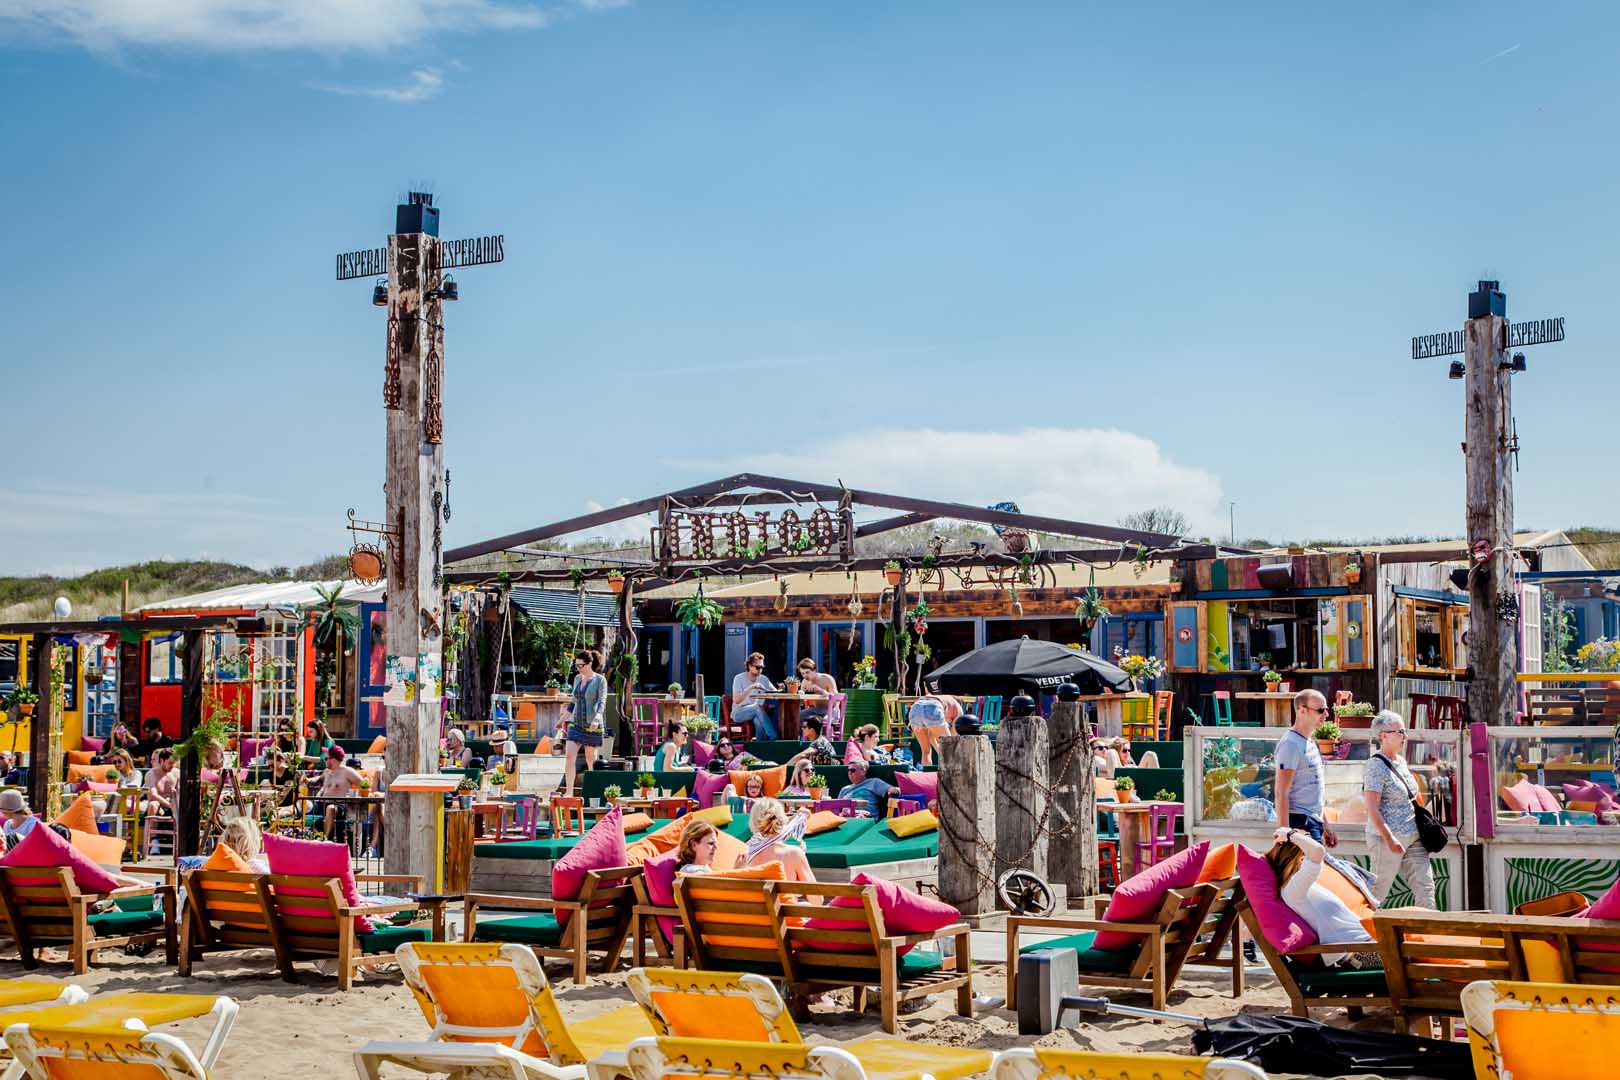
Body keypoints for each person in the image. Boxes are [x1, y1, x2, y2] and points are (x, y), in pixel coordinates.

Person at [1267, 826, 1378, 967]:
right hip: (1362, 953)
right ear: (1299, 857)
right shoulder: (1294, 888)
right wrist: (1290, 834)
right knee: (1412, 956)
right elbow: (1318, 851)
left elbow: (1316, 851)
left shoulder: (1297, 886)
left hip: (1367, 946)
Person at [1362, 710, 1436, 908]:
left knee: (1426, 888)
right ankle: (1361, 930)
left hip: (1414, 837)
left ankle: (1429, 934)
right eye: (1399, 731)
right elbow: (1371, 807)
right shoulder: (1375, 765)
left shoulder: (1401, 762)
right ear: (1383, 736)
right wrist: (1389, 838)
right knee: (1377, 892)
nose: (1405, 736)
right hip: (1387, 840)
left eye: (1404, 731)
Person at [1273, 689, 1336, 846]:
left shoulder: (1309, 741)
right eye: (1321, 710)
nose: (1326, 715)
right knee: (1313, 869)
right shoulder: (1290, 744)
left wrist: (1326, 824)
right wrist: (1285, 834)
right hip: (1299, 823)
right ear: (1302, 710)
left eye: (1327, 709)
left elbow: (1314, 787)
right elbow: (1281, 792)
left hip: (1313, 821)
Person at [742, 797, 816, 888]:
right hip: (784, 901)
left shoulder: (743, 853)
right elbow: (817, 898)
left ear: (753, 820)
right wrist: (801, 856)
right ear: (781, 819)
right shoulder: (794, 853)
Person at [562, 648, 607, 795]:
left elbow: (602, 701)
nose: (578, 669)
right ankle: (569, 792)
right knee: (569, 756)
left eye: (581, 666)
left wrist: (597, 718)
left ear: (590, 664)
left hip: (591, 724)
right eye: (577, 666)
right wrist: (562, 719)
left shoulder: (600, 680)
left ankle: (593, 792)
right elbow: (573, 701)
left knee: (590, 760)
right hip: (576, 723)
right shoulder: (577, 679)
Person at [317, 746, 365, 840]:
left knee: (330, 808)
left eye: (326, 758)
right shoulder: (327, 771)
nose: (324, 760)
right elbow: (317, 780)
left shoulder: (347, 771)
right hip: (321, 804)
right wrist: (306, 780)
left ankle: (324, 839)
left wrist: (355, 797)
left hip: (339, 805)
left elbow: (364, 785)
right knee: (305, 807)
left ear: (334, 759)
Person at [731, 652, 779, 740]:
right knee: (757, 708)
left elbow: (775, 693)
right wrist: (751, 687)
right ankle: (774, 737)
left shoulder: (763, 679)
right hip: (739, 712)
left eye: (762, 667)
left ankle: (759, 744)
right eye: (757, 667)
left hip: (757, 711)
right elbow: (737, 700)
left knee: (758, 720)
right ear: (749, 666)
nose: (760, 670)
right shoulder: (739, 678)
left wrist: (780, 688)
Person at [907, 694, 960, 767]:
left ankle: (927, 775)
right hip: (933, 707)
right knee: (949, 748)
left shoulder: (943, 700)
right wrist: (942, 751)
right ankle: (950, 776)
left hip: (915, 708)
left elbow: (931, 737)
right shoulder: (958, 708)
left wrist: (940, 751)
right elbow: (953, 738)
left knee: (926, 751)